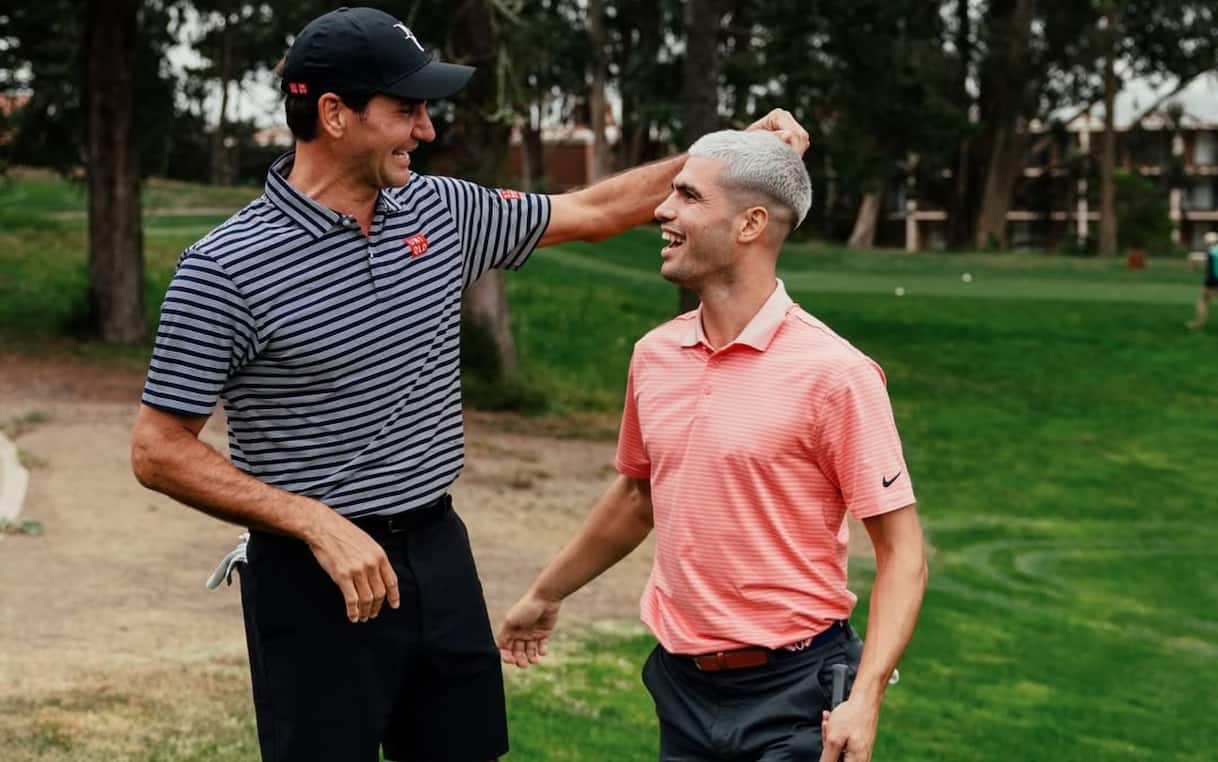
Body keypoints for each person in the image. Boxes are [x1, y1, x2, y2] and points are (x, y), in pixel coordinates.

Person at [128, 7, 808, 762]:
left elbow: (593, 208)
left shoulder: (439, 210)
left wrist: (728, 155)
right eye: (406, 109)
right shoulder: (224, 269)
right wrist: (314, 523)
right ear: (333, 114)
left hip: (437, 553)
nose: (425, 129)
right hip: (312, 578)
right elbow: (159, 450)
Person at [497, 130, 927, 762]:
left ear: (751, 223)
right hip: (682, 688)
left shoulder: (837, 375)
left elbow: (903, 554)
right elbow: (639, 496)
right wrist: (546, 592)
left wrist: (864, 699)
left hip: (797, 695)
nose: (663, 211)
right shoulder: (655, 356)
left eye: (688, 196)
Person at [1187, 230, 1218, 330]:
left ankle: (1198, 324)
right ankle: (1198, 323)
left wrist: (1192, 266)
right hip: (1213, 279)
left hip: (1212, 280)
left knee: (1203, 301)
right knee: (1204, 300)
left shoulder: (1211, 251)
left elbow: (1193, 258)